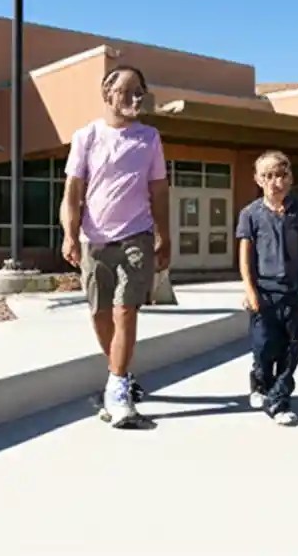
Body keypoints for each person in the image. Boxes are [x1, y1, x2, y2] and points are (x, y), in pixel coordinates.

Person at [60, 64, 171, 426]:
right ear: (107, 94)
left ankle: (118, 388)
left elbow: (158, 191)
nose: (135, 97)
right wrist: (69, 233)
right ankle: (118, 374)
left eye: (140, 91)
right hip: (94, 240)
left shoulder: (149, 137)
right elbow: (73, 192)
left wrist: (163, 236)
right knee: (99, 313)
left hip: (135, 236)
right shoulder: (86, 137)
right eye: (127, 90)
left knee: (126, 311)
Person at [237, 150, 298, 427]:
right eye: (268, 176)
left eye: (281, 175)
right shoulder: (250, 214)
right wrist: (250, 290)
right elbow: (245, 255)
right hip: (264, 291)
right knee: (264, 345)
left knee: (291, 349)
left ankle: (279, 399)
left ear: (290, 178)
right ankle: (261, 381)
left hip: (291, 291)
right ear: (258, 180)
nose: (275, 182)